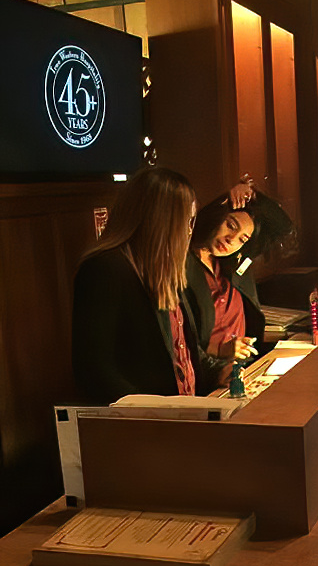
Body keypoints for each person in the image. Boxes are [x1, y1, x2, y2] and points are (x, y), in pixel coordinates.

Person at [72, 166, 228, 405]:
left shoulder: (170, 267)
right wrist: (151, 410)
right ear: (159, 220)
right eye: (185, 221)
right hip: (147, 420)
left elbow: (183, 352)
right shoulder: (105, 268)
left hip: (181, 414)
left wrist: (220, 371)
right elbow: (94, 370)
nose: (189, 231)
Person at [186, 177, 294, 366]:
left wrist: (252, 194)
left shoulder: (235, 262)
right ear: (217, 216)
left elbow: (283, 227)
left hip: (245, 363)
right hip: (209, 369)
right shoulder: (182, 264)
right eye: (231, 226)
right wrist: (218, 349)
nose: (231, 239)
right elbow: (178, 340)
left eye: (242, 239)